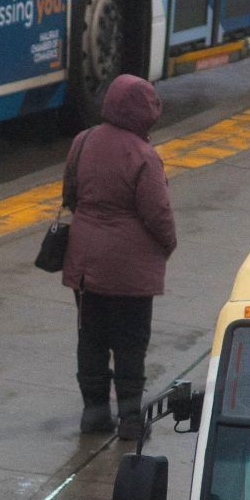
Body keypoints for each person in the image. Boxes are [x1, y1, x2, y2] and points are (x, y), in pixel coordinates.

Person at [61, 74, 178, 440]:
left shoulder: (84, 140)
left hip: (85, 265)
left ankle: (94, 415)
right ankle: (130, 421)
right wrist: (168, 244)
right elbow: (157, 214)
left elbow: (70, 194)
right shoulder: (144, 156)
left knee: (91, 340)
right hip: (129, 273)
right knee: (130, 345)